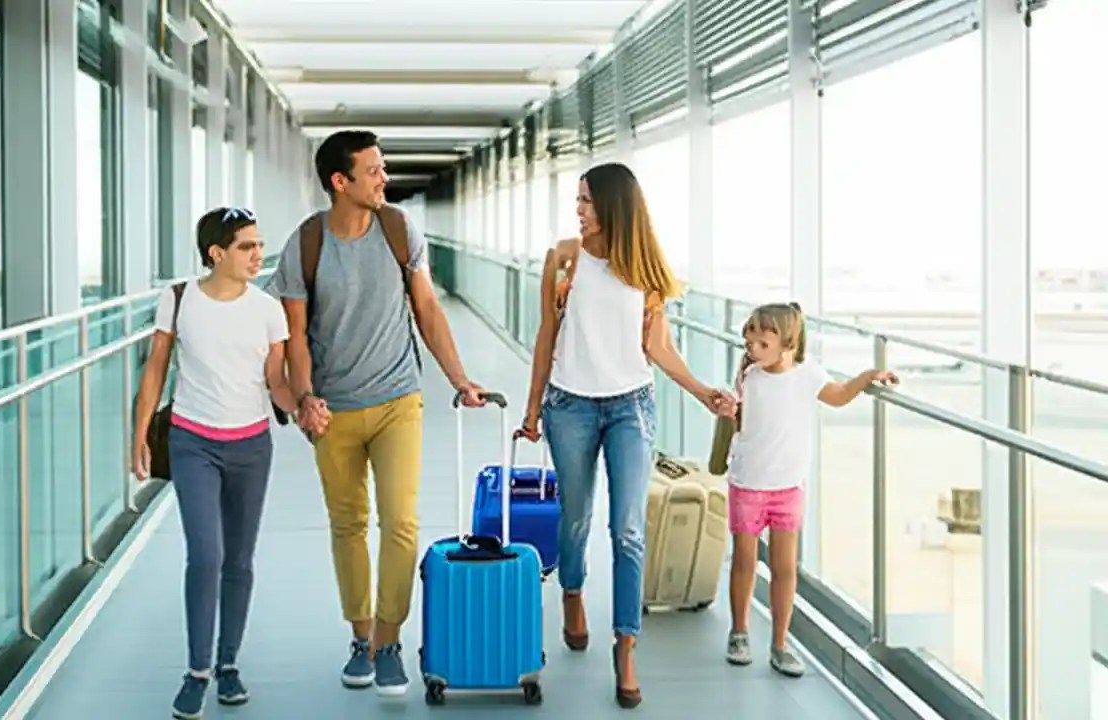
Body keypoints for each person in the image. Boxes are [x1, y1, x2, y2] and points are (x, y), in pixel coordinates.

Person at [266, 129, 487, 697]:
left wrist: (458, 378)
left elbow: (428, 307)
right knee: (348, 526)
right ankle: (360, 637)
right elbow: (295, 334)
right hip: (333, 411)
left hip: (397, 399)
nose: (383, 178)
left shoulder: (398, 229)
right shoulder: (306, 243)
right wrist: (306, 398)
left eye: (382, 168)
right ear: (340, 182)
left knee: (402, 522)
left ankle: (388, 641)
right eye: (373, 170)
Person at [516, 162, 735, 709]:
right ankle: (572, 590)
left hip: (630, 407)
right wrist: (532, 407)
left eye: (587, 200)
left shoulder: (644, 270)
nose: (579, 209)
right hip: (569, 404)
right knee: (576, 516)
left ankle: (626, 645)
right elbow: (548, 332)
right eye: (578, 199)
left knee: (629, 531)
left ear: (614, 205)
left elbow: (658, 347)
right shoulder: (563, 259)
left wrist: (702, 390)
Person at [131, 207, 315, 720]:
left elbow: (275, 380)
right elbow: (156, 368)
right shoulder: (179, 298)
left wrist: (301, 406)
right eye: (247, 247)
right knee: (206, 555)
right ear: (217, 253)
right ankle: (197, 671)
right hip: (193, 442)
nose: (258, 255)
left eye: (259, 245)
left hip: (251, 447)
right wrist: (140, 434)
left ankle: (229, 664)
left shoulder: (267, 310)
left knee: (238, 560)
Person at [719, 302, 896, 677]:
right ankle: (739, 631)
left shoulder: (807, 374)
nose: (751, 348)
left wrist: (868, 376)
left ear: (787, 343)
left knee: (785, 568)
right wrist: (729, 410)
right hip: (748, 481)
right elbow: (743, 420)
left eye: (760, 343)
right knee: (744, 561)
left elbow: (839, 394)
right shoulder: (749, 372)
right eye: (748, 340)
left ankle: (780, 643)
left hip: (787, 487)